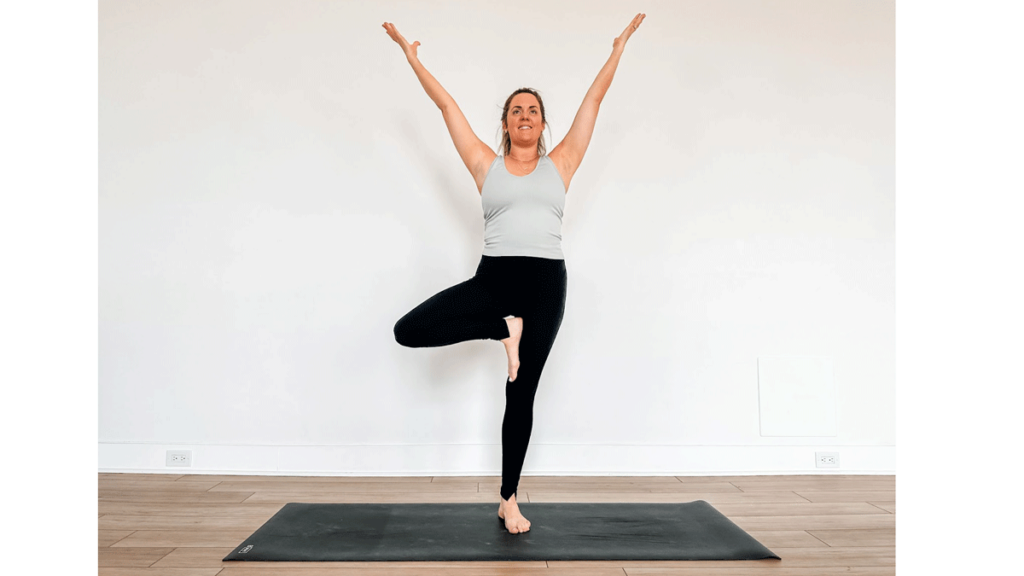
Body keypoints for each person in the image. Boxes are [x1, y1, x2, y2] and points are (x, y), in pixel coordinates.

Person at [383, 13, 645, 535]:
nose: (525, 115)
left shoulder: (561, 163)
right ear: (505, 124)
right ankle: (504, 329)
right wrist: (412, 59)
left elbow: (593, 101)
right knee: (407, 330)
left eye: (533, 111)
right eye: (516, 110)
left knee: (520, 392)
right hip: (494, 280)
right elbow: (447, 107)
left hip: (546, 285)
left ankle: (508, 499)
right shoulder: (485, 164)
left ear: (543, 125)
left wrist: (617, 50)